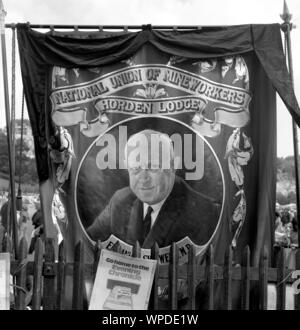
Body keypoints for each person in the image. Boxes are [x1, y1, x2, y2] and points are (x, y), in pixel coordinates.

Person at [86, 129, 221, 248]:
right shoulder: (119, 200)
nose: (143, 178)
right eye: (136, 169)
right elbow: (86, 244)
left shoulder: (204, 213)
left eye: (153, 167)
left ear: (173, 166)